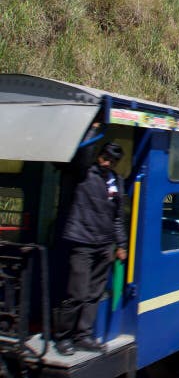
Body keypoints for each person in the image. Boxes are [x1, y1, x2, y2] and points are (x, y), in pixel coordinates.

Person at [54, 138, 127, 356]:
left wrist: (120, 244)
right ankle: (63, 337)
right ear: (99, 156)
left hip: (104, 245)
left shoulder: (116, 182)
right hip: (82, 243)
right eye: (105, 158)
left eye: (112, 161)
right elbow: (77, 159)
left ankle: (83, 335)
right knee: (76, 293)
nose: (107, 163)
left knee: (94, 294)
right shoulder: (84, 174)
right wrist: (92, 132)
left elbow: (117, 218)